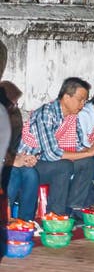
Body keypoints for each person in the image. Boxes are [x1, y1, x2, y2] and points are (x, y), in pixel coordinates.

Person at [18, 77, 94, 218]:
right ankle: (54, 215)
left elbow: (80, 146)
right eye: (80, 99)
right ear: (66, 97)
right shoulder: (46, 113)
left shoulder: (71, 116)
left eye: (85, 101)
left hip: (47, 162)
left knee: (88, 163)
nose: (83, 104)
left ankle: (74, 209)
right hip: (27, 164)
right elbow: (52, 154)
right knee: (63, 166)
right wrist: (88, 152)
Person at [0, 81, 39, 221]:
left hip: (9, 159)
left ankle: (26, 220)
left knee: (31, 174)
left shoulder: (14, 115)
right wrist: (11, 162)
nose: (16, 106)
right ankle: (5, 218)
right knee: (12, 174)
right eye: (13, 103)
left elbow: (14, 144)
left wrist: (23, 158)